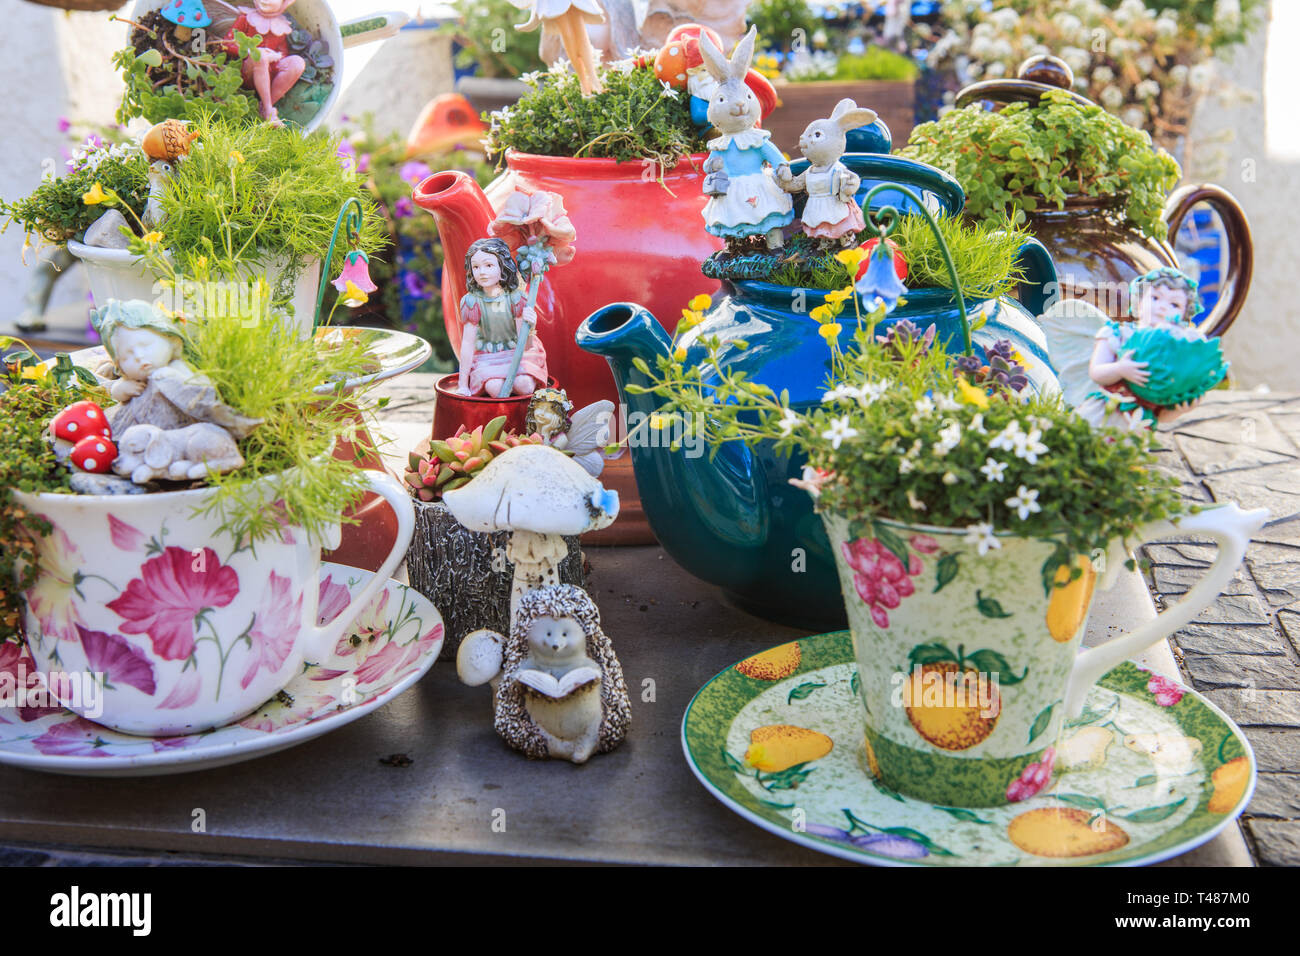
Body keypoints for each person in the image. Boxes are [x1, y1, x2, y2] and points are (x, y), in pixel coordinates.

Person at [456, 238, 548, 397]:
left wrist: (530, 325)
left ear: (502, 266)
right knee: (495, 388)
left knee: (524, 385)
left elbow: (524, 346)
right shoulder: (472, 301)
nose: (482, 272)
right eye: (476, 267)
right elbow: (467, 343)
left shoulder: (516, 298)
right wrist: (462, 384)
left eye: (489, 265)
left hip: (517, 354)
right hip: (488, 356)